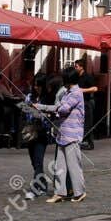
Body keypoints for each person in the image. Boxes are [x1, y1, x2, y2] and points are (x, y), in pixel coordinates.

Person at [37, 68, 87, 203]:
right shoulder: (67, 93)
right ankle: (60, 193)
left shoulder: (76, 93)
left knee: (74, 166)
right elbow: (58, 107)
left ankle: (79, 192)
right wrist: (41, 107)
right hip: (62, 134)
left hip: (72, 134)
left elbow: (64, 108)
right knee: (60, 167)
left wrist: (53, 108)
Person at [74, 58, 99, 150]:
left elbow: (95, 88)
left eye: (76, 66)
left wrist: (82, 90)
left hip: (86, 102)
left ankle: (90, 143)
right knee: (80, 122)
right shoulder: (76, 77)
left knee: (88, 123)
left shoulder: (87, 77)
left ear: (81, 67)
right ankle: (81, 141)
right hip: (78, 103)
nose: (75, 68)